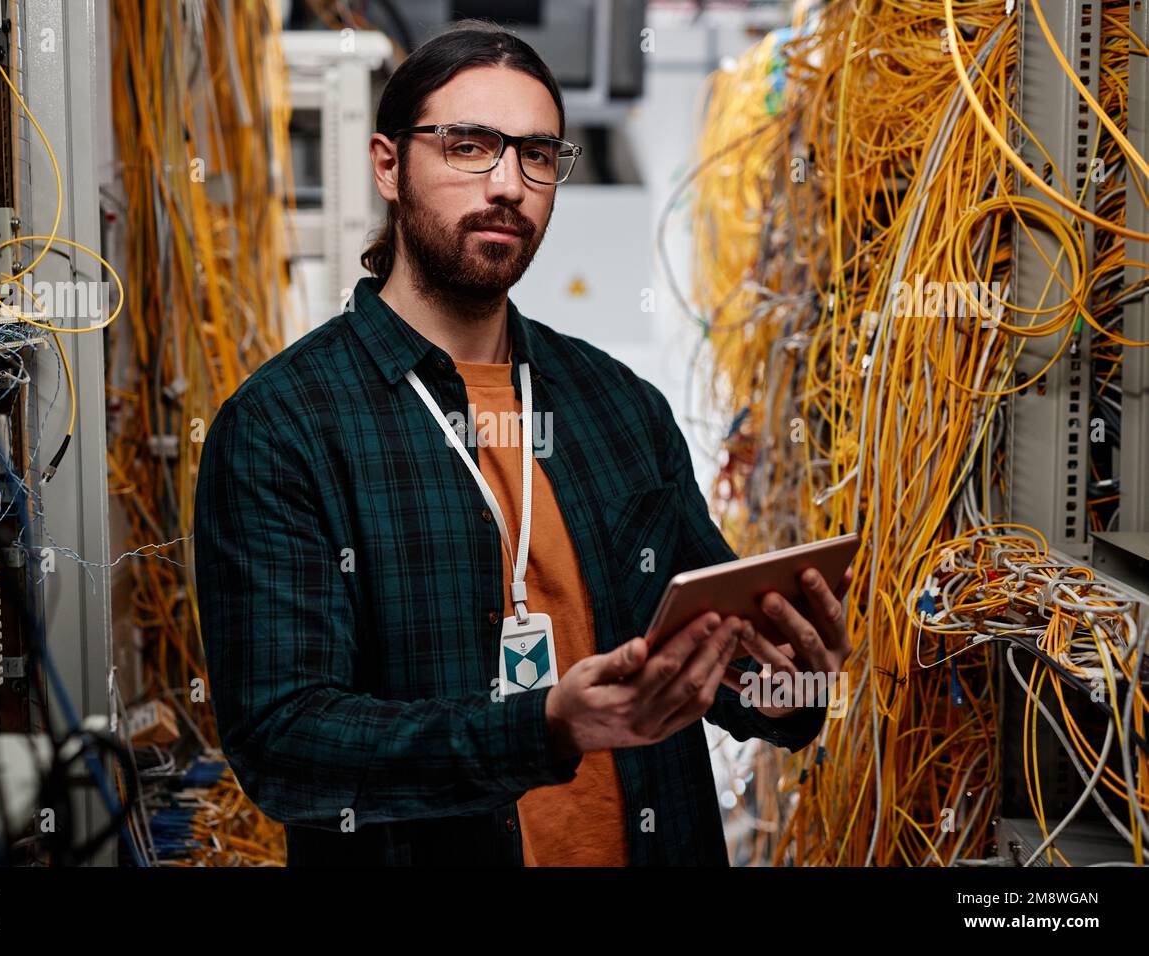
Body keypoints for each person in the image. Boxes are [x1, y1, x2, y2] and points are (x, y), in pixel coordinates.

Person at [194, 21, 852, 866]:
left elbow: (715, 670)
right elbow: (287, 746)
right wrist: (541, 730)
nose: (508, 183)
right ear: (388, 166)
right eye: (469, 146)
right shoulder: (285, 427)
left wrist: (791, 677)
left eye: (537, 155)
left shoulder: (619, 407)